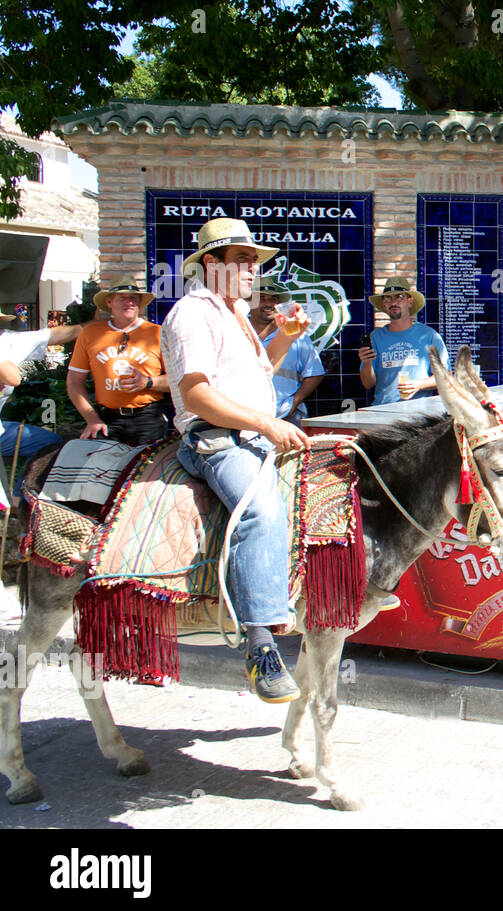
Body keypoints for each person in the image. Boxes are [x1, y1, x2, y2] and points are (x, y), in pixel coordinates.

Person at [160, 217, 313, 703]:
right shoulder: (192, 314)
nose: (253, 270)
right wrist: (268, 425)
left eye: (253, 261)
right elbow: (198, 396)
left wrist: (286, 336)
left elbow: (259, 371)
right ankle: (260, 645)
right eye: (243, 260)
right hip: (218, 440)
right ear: (211, 263)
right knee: (260, 509)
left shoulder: (235, 313)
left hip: (254, 436)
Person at [66, 275, 170, 445]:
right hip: (107, 419)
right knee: (100, 469)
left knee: (146, 469)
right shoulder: (90, 334)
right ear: (109, 302)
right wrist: (92, 419)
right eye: (122, 298)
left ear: (140, 303)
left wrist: (148, 382)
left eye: (133, 298)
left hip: (147, 418)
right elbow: (74, 382)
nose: (128, 302)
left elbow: (179, 381)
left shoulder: (158, 334)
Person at [358, 277, 450, 405]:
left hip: (419, 414)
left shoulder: (429, 336)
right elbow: (368, 384)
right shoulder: (375, 337)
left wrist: (419, 385)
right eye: (388, 298)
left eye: (399, 297)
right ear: (384, 304)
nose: (393, 302)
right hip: (382, 411)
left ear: (410, 302)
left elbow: (445, 377)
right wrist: (367, 363)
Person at [0, 319, 82, 460]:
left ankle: (27, 482)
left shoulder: (5, 339)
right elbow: (13, 378)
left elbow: (51, 335)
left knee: (48, 442)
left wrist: (97, 324)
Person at [248, 278, 325, 425]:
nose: (269, 304)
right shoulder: (237, 333)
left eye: (273, 299)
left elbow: (315, 373)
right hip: (247, 418)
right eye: (262, 298)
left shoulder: (296, 334)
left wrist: (294, 402)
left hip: (286, 418)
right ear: (249, 302)